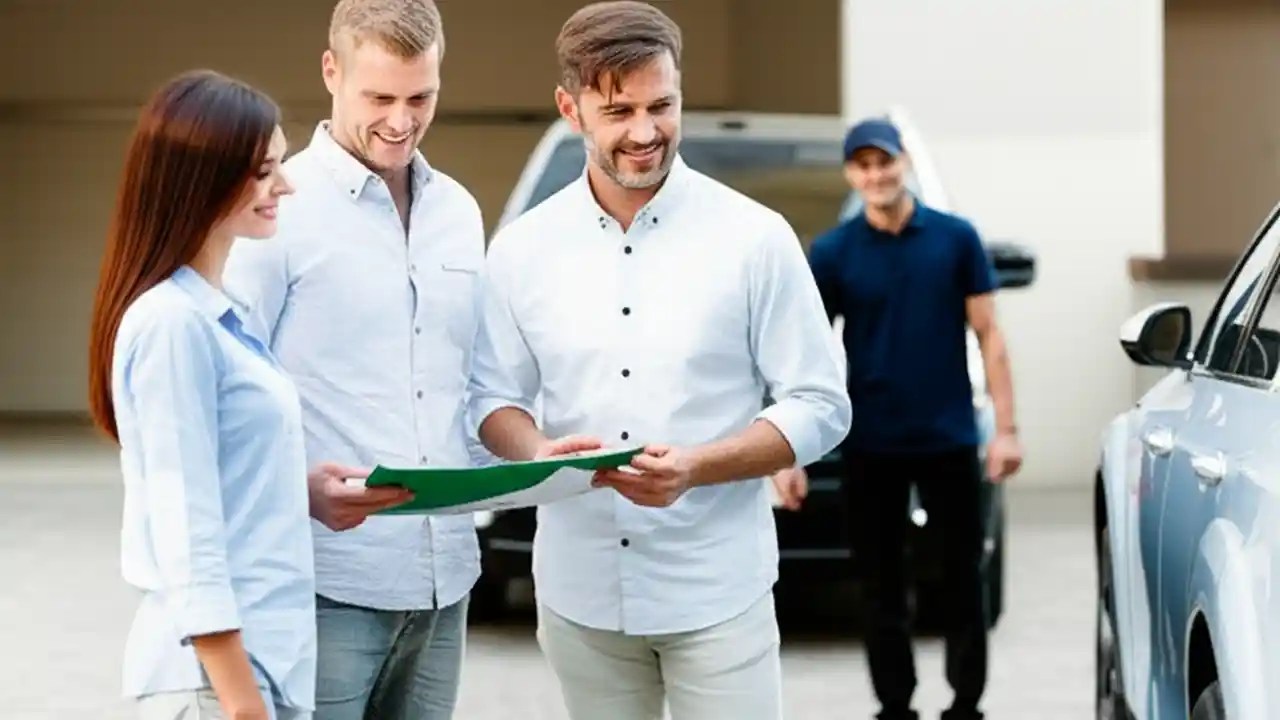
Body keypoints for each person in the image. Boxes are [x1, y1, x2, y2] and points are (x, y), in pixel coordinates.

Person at [465, 2, 851, 719]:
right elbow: (490, 399)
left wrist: (697, 466)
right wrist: (541, 454)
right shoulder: (520, 250)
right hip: (579, 594)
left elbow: (821, 403)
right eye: (618, 111)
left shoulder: (755, 238)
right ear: (571, 109)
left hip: (718, 591)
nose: (645, 132)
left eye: (661, 106)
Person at [221, 1, 485, 718]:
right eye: (379, 98)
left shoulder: (458, 212)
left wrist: (539, 456)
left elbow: (468, 382)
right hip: (324, 580)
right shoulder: (275, 210)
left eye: (420, 98)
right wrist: (296, 490)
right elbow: (225, 394)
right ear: (331, 71)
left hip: (446, 582)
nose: (401, 121)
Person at [86, 69, 363, 720]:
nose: (285, 185)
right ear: (203, 179)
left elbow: (219, 475)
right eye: (264, 171)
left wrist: (300, 490)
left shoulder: (218, 313)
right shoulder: (172, 324)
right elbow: (185, 526)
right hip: (218, 682)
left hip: (259, 672)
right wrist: (241, 702)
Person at [795, 117, 1024, 720]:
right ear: (851, 174)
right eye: (864, 166)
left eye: (885, 162)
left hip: (948, 437)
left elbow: (989, 334)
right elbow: (807, 350)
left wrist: (1005, 430)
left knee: (962, 576)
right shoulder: (834, 252)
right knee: (880, 581)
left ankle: (966, 703)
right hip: (871, 442)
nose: (876, 175)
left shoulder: (954, 238)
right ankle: (894, 705)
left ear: (905, 164)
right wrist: (789, 451)